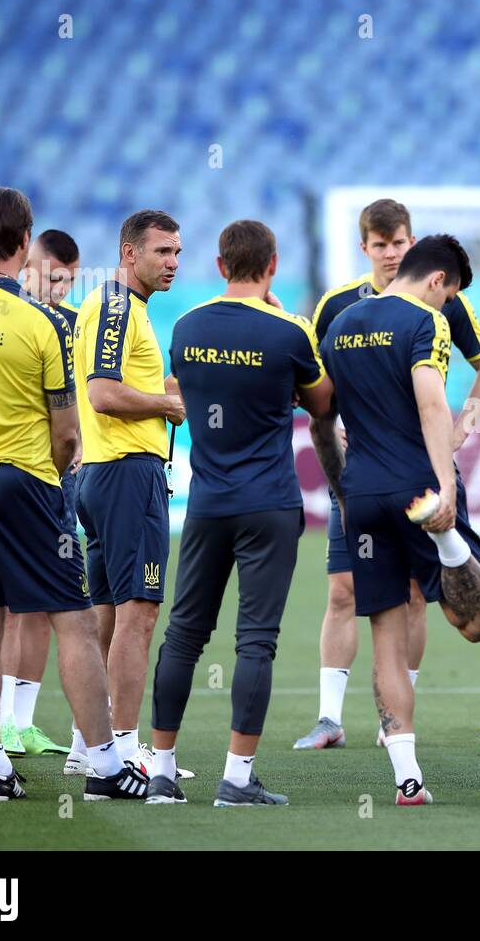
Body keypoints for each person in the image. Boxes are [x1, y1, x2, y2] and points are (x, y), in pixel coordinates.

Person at [0, 186, 146, 801]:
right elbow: (67, 433)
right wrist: (49, 476)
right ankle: (104, 765)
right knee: (74, 620)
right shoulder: (39, 321)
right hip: (26, 481)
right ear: (25, 241)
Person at [295, 199, 480, 751]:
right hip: (379, 474)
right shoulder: (339, 306)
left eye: (399, 243)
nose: (390, 252)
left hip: (378, 479)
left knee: (406, 601)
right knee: (345, 590)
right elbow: (321, 394)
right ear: (364, 248)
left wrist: (460, 433)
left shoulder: (439, 305)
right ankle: (330, 718)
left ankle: (398, 739)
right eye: (380, 244)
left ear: (412, 246)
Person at [147, 220, 333, 806]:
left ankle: (160, 771)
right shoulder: (290, 331)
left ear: (220, 266)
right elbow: (323, 403)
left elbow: (181, 387)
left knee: (183, 634)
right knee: (256, 641)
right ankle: (235, 777)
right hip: (269, 503)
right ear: (272, 265)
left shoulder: (187, 325)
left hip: (206, 503)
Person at [72, 210, 186, 773]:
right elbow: (102, 393)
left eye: (177, 252)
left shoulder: (118, 306)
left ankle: (87, 745)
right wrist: (166, 404)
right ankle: (122, 748)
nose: (173, 262)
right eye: (162, 251)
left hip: (102, 473)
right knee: (138, 613)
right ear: (128, 252)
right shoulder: (117, 304)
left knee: (108, 615)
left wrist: (160, 390)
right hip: (126, 475)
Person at [0, 228, 81, 759]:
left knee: (45, 600)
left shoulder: (73, 324)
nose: (59, 290)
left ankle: (22, 723)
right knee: (4, 604)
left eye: (68, 281)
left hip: (60, 477)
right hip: (15, 471)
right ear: (27, 267)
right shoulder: (8, 319)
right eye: (52, 278)